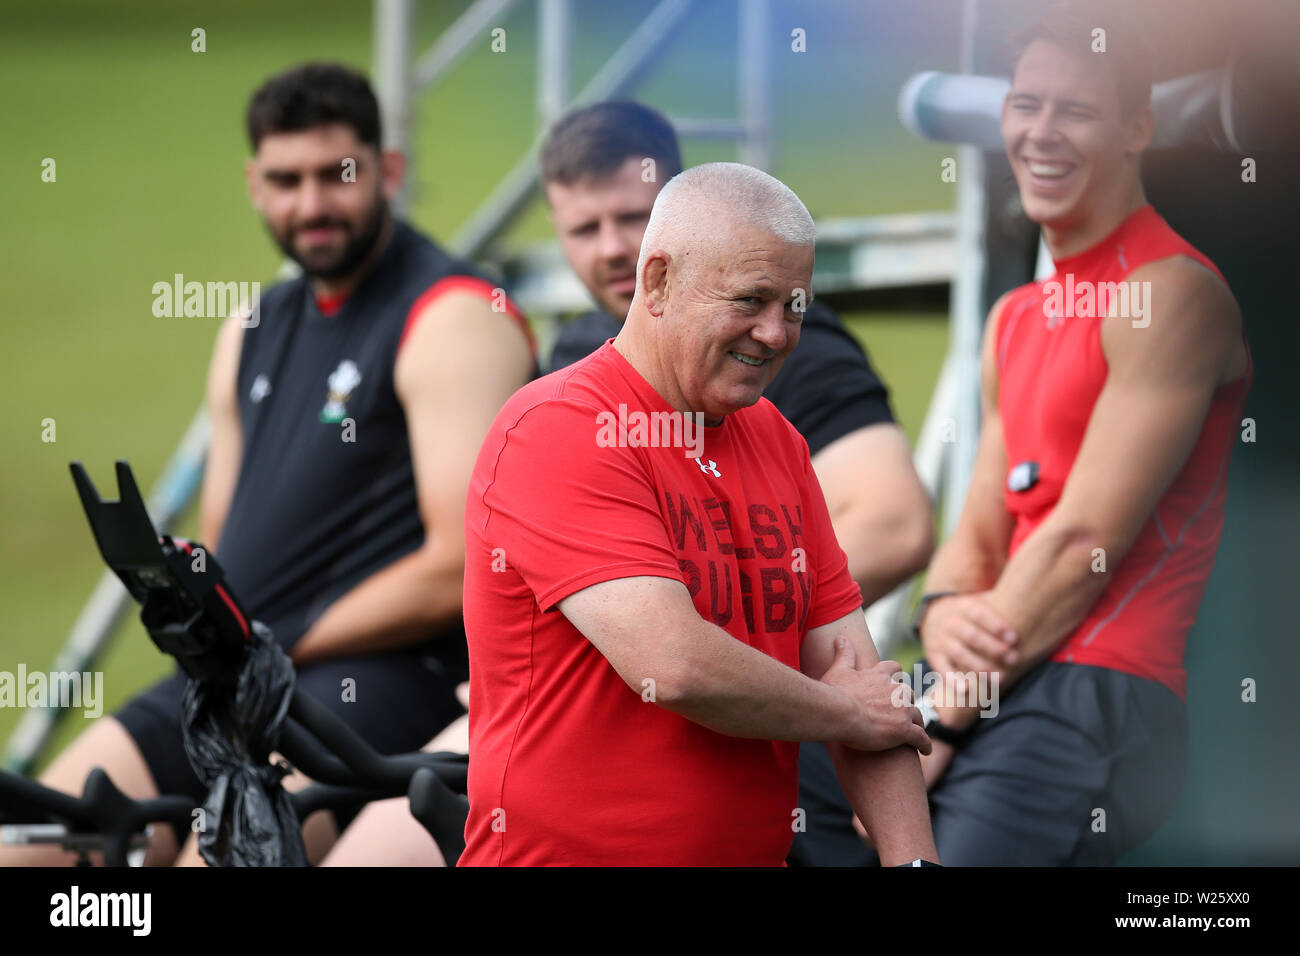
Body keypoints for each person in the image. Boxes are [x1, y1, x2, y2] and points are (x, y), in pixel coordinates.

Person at [0, 63, 535, 866]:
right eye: (286, 180)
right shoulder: (251, 324)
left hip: (375, 686)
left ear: (388, 171)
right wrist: (212, 623)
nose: (311, 204)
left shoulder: (454, 315)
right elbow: (224, 547)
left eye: (337, 175)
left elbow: (463, 562)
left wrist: (266, 638)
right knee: (28, 848)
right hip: (240, 677)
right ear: (255, 184)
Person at [459, 162, 939, 866]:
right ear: (657, 282)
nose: (775, 333)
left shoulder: (777, 439)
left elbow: (860, 679)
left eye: (795, 306)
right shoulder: (559, 427)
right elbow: (674, 665)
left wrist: (915, 864)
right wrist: (848, 712)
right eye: (750, 300)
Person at [899, 9, 1252, 865]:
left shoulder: (1174, 294)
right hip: (986, 677)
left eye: (1076, 112)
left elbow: (1078, 543)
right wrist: (941, 609)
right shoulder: (1013, 317)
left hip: (1099, 688)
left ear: (1138, 128)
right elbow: (979, 527)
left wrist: (945, 709)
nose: (1041, 133)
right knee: (775, 800)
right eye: (1026, 106)